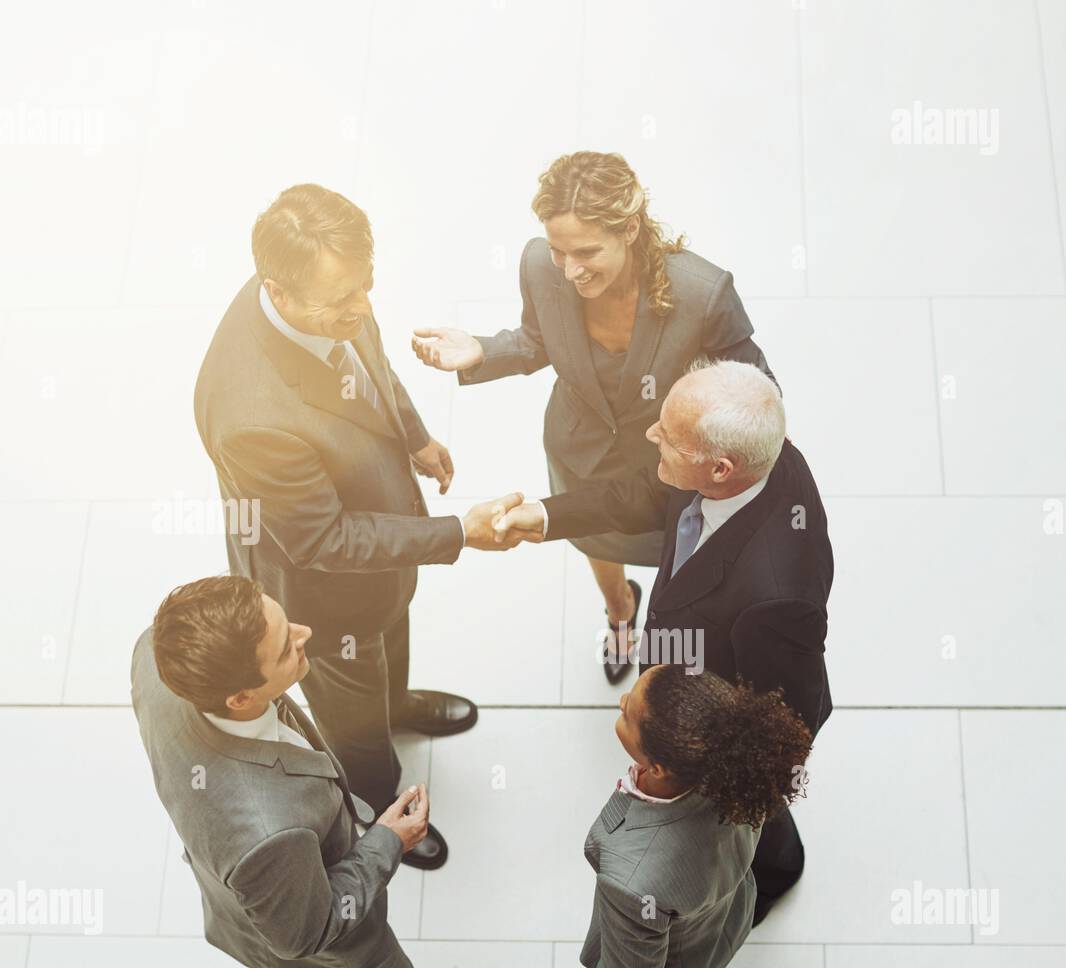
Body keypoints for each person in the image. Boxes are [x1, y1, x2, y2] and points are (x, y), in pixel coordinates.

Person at [195, 182, 523, 870]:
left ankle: (395, 701)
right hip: (325, 591)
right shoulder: (251, 413)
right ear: (278, 293)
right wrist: (460, 532)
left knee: (389, 624)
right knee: (352, 711)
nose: (364, 307)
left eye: (365, 285)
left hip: (378, 553)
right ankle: (378, 803)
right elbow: (323, 542)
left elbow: (369, 367)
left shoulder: (325, 300)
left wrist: (413, 436)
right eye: (342, 299)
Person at [130, 575, 513, 968]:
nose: (306, 634)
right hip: (303, 922)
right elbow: (309, 930)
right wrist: (388, 840)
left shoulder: (152, 656)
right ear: (240, 698)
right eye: (287, 645)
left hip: (231, 905)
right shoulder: (268, 829)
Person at [410, 150, 775, 683]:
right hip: (580, 452)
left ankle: (669, 641)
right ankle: (621, 613)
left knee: (682, 568)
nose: (571, 269)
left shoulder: (702, 293)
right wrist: (484, 351)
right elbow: (539, 340)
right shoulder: (540, 266)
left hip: (667, 472)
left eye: (585, 251)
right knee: (596, 542)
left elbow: (757, 390)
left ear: (629, 229)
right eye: (560, 251)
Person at [493, 358, 833, 925]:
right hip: (684, 654)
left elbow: (788, 719)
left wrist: (704, 758)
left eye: (667, 437)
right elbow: (652, 494)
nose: (652, 435)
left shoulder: (778, 596)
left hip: (718, 718)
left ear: (722, 468)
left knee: (753, 812)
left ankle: (774, 867)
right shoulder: (747, 462)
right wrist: (547, 516)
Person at [574, 664, 812, 968]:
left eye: (630, 713)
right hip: (725, 915)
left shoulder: (632, 878)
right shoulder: (739, 772)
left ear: (659, 766)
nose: (622, 701)